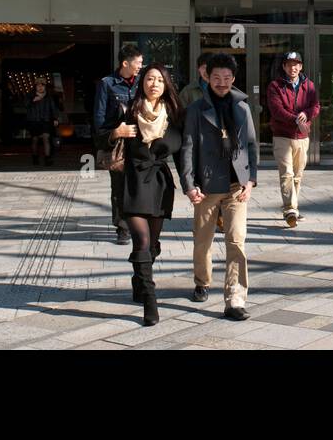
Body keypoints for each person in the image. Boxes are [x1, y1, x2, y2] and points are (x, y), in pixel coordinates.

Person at [99, 63, 184, 326]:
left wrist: (191, 184)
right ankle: (150, 300)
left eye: (159, 79)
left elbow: (183, 153)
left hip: (159, 183)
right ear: (142, 83)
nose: (154, 83)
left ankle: (139, 279)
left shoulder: (174, 113)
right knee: (142, 243)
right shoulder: (128, 110)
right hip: (132, 182)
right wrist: (116, 132)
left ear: (165, 84)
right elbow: (99, 136)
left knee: (154, 246)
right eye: (149, 78)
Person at [179, 53, 258, 321]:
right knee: (202, 242)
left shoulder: (243, 108)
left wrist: (251, 180)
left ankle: (235, 298)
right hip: (206, 187)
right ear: (207, 77)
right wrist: (189, 184)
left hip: (237, 185)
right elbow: (187, 149)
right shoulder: (195, 110)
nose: (222, 83)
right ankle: (202, 281)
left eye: (227, 78)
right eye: (216, 78)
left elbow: (251, 146)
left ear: (233, 79)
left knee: (236, 241)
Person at [95, 43, 143, 245]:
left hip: (141, 143)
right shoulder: (107, 84)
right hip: (119, 145)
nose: (141, 65)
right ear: (125, 63)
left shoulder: (143, 82)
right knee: (119, 188)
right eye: (138, 62)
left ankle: (139, 224)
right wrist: (115, 132)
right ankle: (122, 227)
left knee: (140, 186)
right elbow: (99, 121)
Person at [265, 49, 320, 228]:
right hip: (283, 136)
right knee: (287, 173)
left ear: (301, 66)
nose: (293, 68)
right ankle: (290, 209)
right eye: (289, 65)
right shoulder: (275, 86)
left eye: (296, 64)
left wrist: (307, 113)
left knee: (297, 175)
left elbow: (316, 106)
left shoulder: (309, 85)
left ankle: (293, 208)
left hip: (302, 137)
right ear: (284, 67)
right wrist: (296, 119)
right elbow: (277, 110)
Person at [25, 79, 61, 166]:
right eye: (38, 85)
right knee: (35, 140)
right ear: (35, 87)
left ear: (45, 87)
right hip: (34, 121)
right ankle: (35, 157)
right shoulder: (30, 96)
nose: (40, 87)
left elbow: (54, 109)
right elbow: (25, 105)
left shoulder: (49, 97)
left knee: (46, 138)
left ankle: (47, 159)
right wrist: (33, 100)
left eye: (42, 85)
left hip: (46, 121)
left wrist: (55, 118)